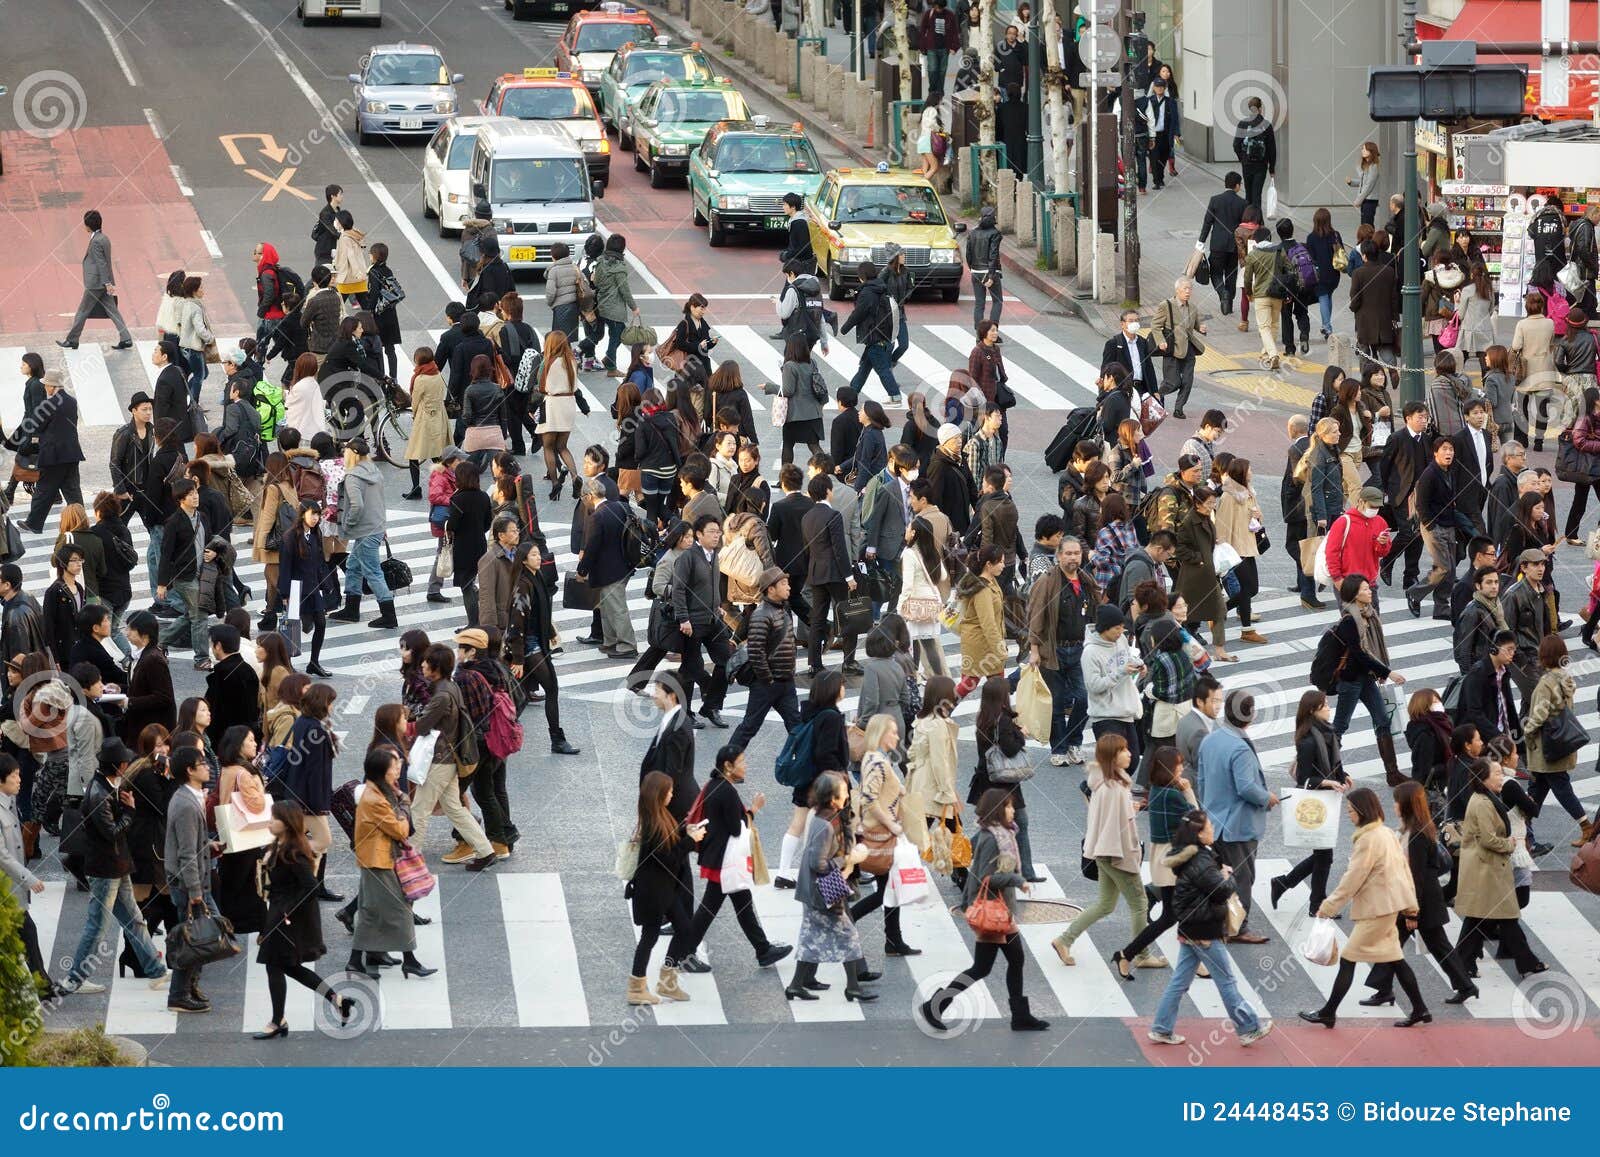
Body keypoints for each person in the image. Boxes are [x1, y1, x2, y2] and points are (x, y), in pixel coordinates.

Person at [1296, 788, 1432, 1029]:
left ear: (1362, 811)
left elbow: (1352, 878)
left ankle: (1328, 1012)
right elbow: (1404, 871)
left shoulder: (1368, 840)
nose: (1348, 815)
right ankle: (1420, 1009)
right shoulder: (1386, 833)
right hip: (1389, 907)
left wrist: (1328, 906)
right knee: (1397, 961)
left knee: (1348, 959)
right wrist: (1411, 907)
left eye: (1350, 811)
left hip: (1375, 910)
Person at [920, 786, 1049, 1032]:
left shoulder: (1002, 834)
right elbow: (986, 878)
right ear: (998, 810)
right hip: (991, 911)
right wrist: (1017, 880)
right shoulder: (992, 839)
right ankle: (935, 1006)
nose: (1013, 810)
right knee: (982, 967)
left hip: (1000, 910)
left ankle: (1020, 1016)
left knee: (1013, 960)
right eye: (1009, 806)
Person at [1145, 806, 1273, 1046]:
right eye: (1209, 826)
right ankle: (1249, 1028)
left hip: (1191, 928)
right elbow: (1221, 891)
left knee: (1180, 982)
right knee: (1227, 981)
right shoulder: (1201, 861)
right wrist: (1227, 875)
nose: (1213, 829)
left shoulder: (1192, 855)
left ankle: (1161, 1028)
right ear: (1199, 834)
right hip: (1204, 930)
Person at [1361, 782, 1475, 1007]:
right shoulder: (1413, 829)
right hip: (1419, 899)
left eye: (1396, 802)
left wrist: (1412, 912)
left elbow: (1416, 876)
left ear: (1406, 805)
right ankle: (1464, 985)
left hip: (1420, 901)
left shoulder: (1416, 834)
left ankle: (1384, 990)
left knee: (1424, 944)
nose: (1393, 806)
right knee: (1428, 945)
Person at [1051, 735, 1153, 967]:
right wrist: (1128, 855)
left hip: (1102, 851)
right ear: (1112, 757)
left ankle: (1064, 940)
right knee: (1139, 904)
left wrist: (1129, 807)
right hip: (1116, 853)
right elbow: (1116, 827)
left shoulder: (1102, 782)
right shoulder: (1115, 788)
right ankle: (1143, 955)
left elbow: (1107, 818)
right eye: (1123, 750)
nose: (1129, 753)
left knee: (1105, 904)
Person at [786, 772, 879, 1002]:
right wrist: (846, 859)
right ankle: (853, 988)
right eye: (844, 791)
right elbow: (817, 863)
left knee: (811, 938)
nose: (847, 795)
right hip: (823, 890)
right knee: (848, 935)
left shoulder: (828, 817)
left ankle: (796, 985)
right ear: (832, 797)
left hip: (818, 889)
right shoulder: (825, 825)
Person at [346, 745, 435, 980]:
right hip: (378, 861)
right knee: (400, 909)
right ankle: (409, 961)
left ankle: (359, 960)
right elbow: (400, 829)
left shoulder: (381, 791)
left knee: (370, 912)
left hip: (379, 858)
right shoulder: (375, 799)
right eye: (394, 766)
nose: (398, 769)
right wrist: (404, 806)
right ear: (382, 772)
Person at [1195, 690, 1276, 944]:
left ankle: (1220, 922)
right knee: (1242, 878)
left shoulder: (1210, 740)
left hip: (1214, 821)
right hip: (1238, 824)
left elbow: (1201, 780)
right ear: (1250, 715)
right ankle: (1238, 928)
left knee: (1220, 875)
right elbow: (1246, 787)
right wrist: (1267, 797)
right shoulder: (1240, 747)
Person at [408, 645, 497, 872]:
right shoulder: (451, 686)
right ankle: (486, 851)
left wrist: (406, 722)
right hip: (450, 758)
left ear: (436, 667)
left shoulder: (441, 696)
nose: (423, 665)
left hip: (438, 759)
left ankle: (409, 860)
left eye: (427, 662)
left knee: (419, 809)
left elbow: (422, 727)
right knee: (454, 808)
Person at [625, 770, 705, 1005]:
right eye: (669, 791)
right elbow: (667, 858)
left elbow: (669, 841)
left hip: (664, 890)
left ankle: (667, 980)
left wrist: (685, 832)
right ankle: (637, 988)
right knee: (649, 937)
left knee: (685, 929)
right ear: (659, 794)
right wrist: (691, 841)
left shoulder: (659, 815)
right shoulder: (653, 824)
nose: (672, 794)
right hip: (653, 892)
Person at [1267, 690, 1349, 917]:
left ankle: (1285, 884)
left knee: (1324, 856)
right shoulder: (1308, 741)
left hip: (1327, 798)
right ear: (1313, 710)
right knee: (1325, 856)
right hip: (1316, 802)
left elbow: (1333, 764)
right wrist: (1328, 782)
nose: (1329, 708)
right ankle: (1315, 904)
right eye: (1325, 705)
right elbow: (1304, 779)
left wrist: (1343, 776)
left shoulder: (1328, 733)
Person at [1026, 537, 1100, 765]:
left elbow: (1096, 612)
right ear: (1058, 555)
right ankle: (1059, 749)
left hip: (1080, 649)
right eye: (1068, 553)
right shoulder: (1047, 581)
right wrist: (1034, 649)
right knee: (1056, 702)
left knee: (1084, 698)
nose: (1073, 558)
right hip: (1053, 649)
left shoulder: (1086, 580)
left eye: (1076, 553)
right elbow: (1036, 615)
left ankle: (1074, 742)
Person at [773, 671, 849, 889]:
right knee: (824, 830)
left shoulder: (810, 712)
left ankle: (783, 872)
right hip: (824, 781)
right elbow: (825, 753)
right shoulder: (831, 716)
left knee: (798, 824)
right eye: (841, 684)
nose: (844, 688)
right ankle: (822, 877)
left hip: (806, 777)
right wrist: (839, 776)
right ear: (833, 689)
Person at [1330, 576, 1406, 786]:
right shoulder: (1349, 620)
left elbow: (1371, 650)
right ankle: (1331, 770)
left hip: (1367, 678)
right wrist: (1387, 672)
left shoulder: (1369, 615)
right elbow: (1360, 654)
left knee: (1383, 720)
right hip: (1351, 680)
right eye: (1365, 589)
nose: (1370, 591)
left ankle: (1392, 773)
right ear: (1354, 594)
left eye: (1368, 587)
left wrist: (1378, 670)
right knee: (1340, 726)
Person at [162, 746, 218, 1011]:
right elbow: (186, 854)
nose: (207, 767)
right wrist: (196, 892)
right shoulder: (185, 804)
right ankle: (178, 995)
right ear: (190, 770)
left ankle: (190, 986)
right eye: (202, 763)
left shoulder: (189, 797)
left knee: (201, 937)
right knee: (195, 939)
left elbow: (192, 844)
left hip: (192, 882)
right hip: (189, 885)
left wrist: (209, 846)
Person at [1524, 633, 1589, 842]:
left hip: (1546, 747)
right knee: (1536, 790)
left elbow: (1539, 715)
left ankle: (1587, 827)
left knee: (1561, 789)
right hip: (1561, 742)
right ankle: (1523, 830)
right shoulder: (1565, 678)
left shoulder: (1546, 683)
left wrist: (1527, 732)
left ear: (1543, 656)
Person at [672, 515, 733, 727]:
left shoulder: (714, 555)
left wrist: (717, 605)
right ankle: (685, 713)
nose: (717, 536)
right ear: (699, 534)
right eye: (712, 532)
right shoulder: (688, 557)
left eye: (718, 532)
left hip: (713, 619)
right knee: (690, 668)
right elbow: (678, 589)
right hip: (692, 622)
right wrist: (683, 618)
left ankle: (711, 707)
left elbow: (711, 585)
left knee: (727, 661)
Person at [801, 474, 860, 677]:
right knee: (848, 616)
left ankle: (814, 664)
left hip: (816, 572)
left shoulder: (807, 517)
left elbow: (806, 549)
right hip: (835, 574)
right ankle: (849, 662)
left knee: (817, 619)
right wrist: (849, 577)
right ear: (828, 491)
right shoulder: (834, 515)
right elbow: (839, 550)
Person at [1404, 439, 1471, 619]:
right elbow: (1421, 504)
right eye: (1444, 449)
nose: (1449, 453)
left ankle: (1441, 607)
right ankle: (1414, 592)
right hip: (1433, 527)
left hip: (1448, 525)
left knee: (1451, 571)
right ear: (1435, 453)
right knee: (1443, 567)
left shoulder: (1449, 472)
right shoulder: (1430, 474)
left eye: (1451, 449)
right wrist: (1430, 525)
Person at [58, 210, 135, 350]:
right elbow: (106, 262)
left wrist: (106, 283)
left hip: (95, 284)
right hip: (104, 283)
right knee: (113, 311)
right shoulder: (104, 238)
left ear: (88, 226)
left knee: (82, 311)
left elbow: (101, 263)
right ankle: (126, 338)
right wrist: (108, 282)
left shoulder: (95, 242)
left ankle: (72, 340)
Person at [277, 501, 335, 677]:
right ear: (303, 514)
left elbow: (319, 562)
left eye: (318, 514)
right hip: (295, 588)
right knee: (292, 627)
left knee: (321, 623)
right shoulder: (290, 537)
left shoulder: (315, 534)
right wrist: (285, 594)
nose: (316, 518)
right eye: (312, 514)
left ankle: (314, 662)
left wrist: (326, 584)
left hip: (312, 586)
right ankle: (287, 663)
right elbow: (285, 567)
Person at [841, 262, 901, 403]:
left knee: (882, 369)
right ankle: (852, 393)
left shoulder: (868, 292)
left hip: (875, 336)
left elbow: (859, 313)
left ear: (861, 276)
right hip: (882, 334)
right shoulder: (881, 287)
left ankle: (895, 396)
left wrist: (845, 328)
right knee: (865, 367)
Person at [1198, 172, 1249, 318]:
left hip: (1217, 244)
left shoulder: (1215, 200)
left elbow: (1207, 222)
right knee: (1231, 274)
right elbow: (1244, 226)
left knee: (1215, 273)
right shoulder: (1243, 203)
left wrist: (1201, 241)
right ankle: (1229, 306)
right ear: (1237, 185)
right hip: (1234, 245)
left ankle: (1223, 293)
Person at [966, 206, 1002, 326]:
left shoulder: (973, 233)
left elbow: (968, 254)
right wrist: (991, 275)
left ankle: (979, 332)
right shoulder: (995, 233)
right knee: (997, 301)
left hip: (976, 271)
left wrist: (972, 268)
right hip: (990, 271)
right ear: (993, 218)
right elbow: (993, 255)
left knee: (979, 303)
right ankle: (993, 330)